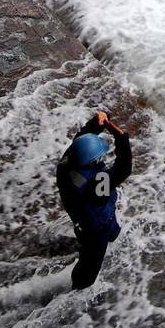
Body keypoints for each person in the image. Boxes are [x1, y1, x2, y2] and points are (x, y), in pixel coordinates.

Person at [56, 111, 132, 290]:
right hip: (97, 228)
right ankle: (77, 295)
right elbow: (123, 169)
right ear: (94, 160)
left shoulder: (66, 166)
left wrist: (96, 124)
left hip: (79, 212)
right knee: (89, 268)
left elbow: (79, 141)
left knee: (89, 233)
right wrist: (122, 140)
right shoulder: (98, 183)